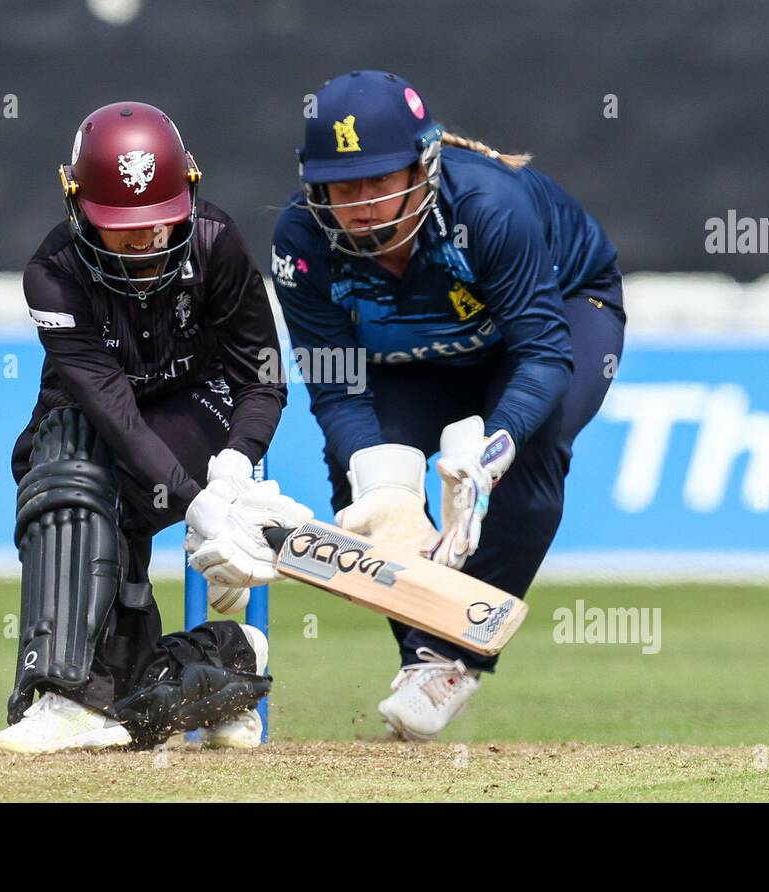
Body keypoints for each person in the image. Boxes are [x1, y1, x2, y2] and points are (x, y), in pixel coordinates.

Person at [268, 70, 626, 740]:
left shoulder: (489, 206)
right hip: (414, 355)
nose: (366, 204)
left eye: (381, 180)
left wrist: (489, 458)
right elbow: (337, 386)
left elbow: (544, 355)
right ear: (317, 189)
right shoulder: (300, 243)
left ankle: (452, 658)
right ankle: (427, 654)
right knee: (372, 483)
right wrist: (389, 492)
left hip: (561, 316)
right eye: (346, 188)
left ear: (422, 165)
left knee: (533, 451)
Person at [0, 101, 304, 754]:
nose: (145, 240)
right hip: (101, 426)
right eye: (122, 226)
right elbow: (109, 407)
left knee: (72, 468)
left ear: (188, 191)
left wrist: (231, 471)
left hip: (202, 409)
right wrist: (197, 507)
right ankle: (225, 661)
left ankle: (69, 696)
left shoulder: (216, 243)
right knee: (64, 464)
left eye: (160, 223)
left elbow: (263, 375)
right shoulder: (52, 276)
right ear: (77, 206)